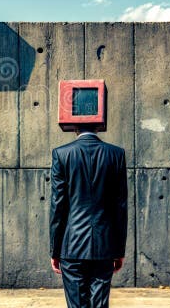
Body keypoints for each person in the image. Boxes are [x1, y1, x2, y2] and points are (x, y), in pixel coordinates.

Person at [49, 125, 128, 308]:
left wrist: (55, 249)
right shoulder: (116, 154)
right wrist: (119, 250)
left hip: (72, 245)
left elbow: (58, 205)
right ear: (99, 126)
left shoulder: (61, 154)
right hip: (104, 246)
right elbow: (120, 207)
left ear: (74, 127)